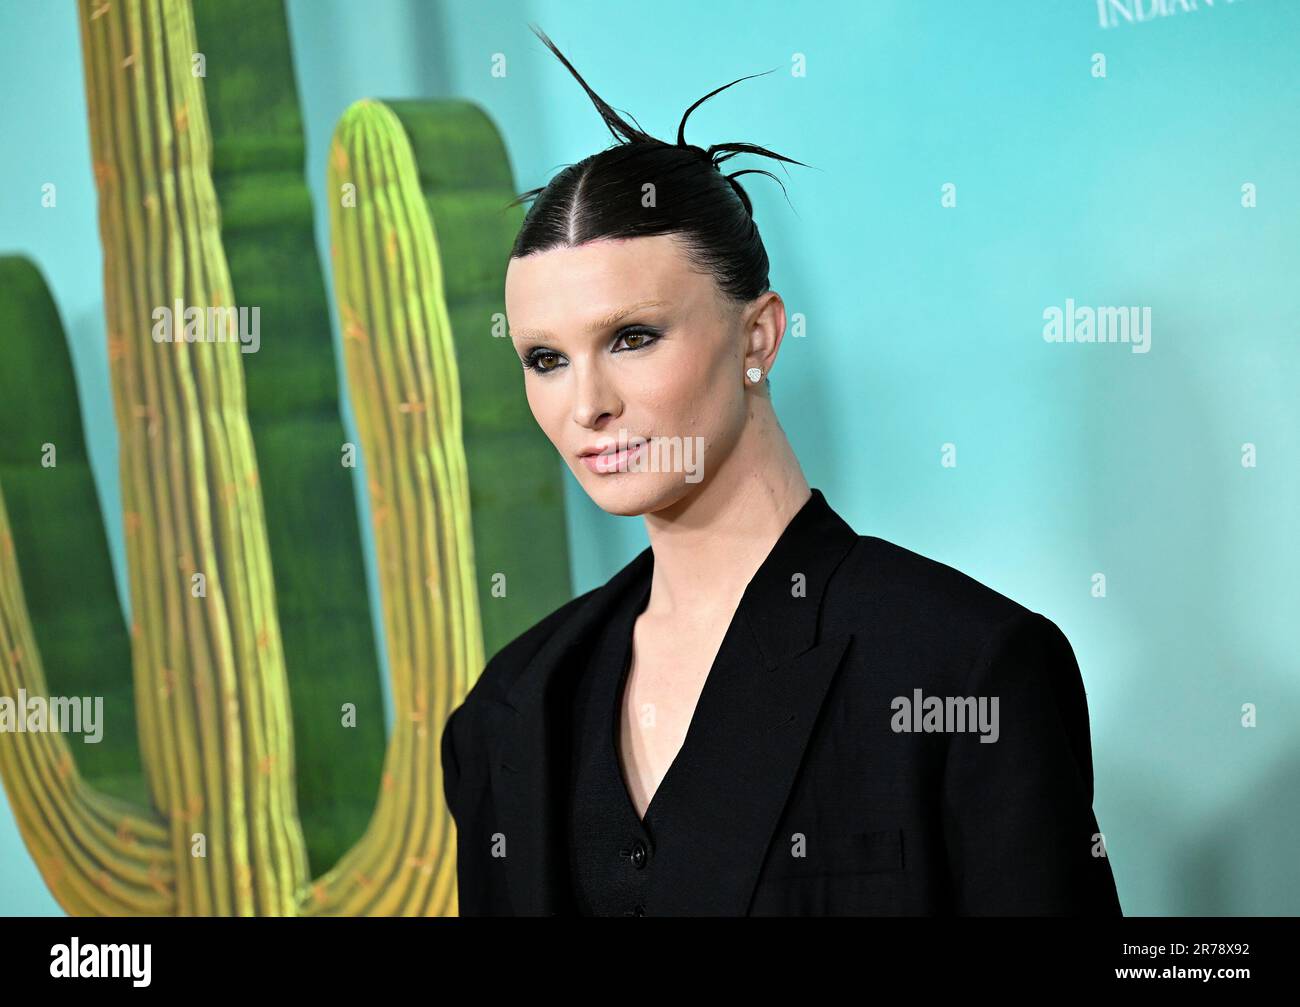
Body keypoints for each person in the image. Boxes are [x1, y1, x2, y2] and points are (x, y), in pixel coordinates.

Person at [439, 24, 1122, 917]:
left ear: (757, 334)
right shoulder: (508, 709)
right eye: (545, 358)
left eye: (632, 337)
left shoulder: (965, 667)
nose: (586, 404)